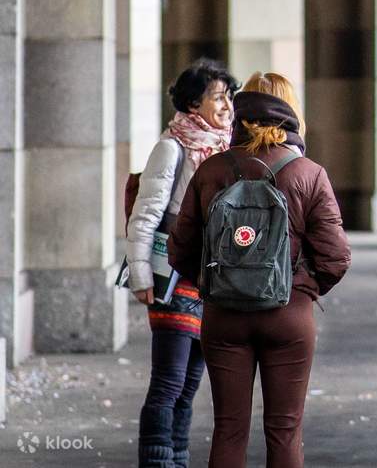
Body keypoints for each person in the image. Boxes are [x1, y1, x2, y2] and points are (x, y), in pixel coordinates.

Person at [168, 72, 352, 468]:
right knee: (285, 431)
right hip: (288, 316)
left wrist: (216, 283)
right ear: (291, 111)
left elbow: (180, 249)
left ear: (242, 111)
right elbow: (336, 257)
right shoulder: (308, 173)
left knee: (228, 429)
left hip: (224, 317)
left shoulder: (212, 170)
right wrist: (300, 289)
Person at [128, 59, 237, 467]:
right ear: (194, 103)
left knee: (190, 383)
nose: (227, 106)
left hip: (210, 279)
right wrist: (141, 274)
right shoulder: (171, 147)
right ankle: (157, 461)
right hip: (172, 276)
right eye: (218, 97)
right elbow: (145, 215)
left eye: (229, 97)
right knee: (168, 381)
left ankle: (177, 458)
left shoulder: (227, 147)